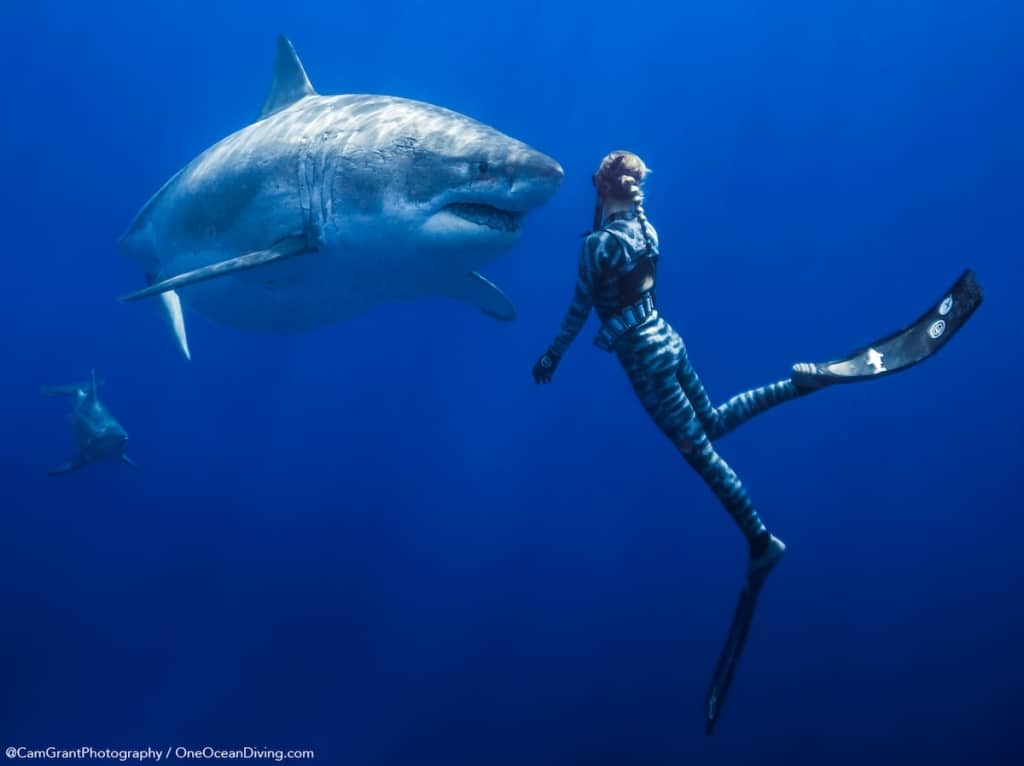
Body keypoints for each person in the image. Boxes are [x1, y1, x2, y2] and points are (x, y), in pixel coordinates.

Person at [531, 149, 982, 731]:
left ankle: (759, 539)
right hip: (668, 336)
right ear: (619, 187)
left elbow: (577, 311)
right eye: (634, 182)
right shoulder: (645, 229)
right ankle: (801, 385)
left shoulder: (598, 246)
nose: (639, 190)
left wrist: (552, 355)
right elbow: (636, 284)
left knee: (699, 450)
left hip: (643, 356)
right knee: (714, 421)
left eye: (638, 182)